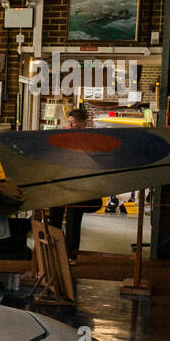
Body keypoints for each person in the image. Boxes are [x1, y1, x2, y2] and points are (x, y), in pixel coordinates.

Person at [48, 107, 96, 259]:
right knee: (54, 216)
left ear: (82, 123)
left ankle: (71, 255)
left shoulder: (89, 139)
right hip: (60, 181)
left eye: (73, 123)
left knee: (73, 219)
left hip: (79, 183)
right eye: (69, 122)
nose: (70, 126)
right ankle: (54, 251)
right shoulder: (64, 135)